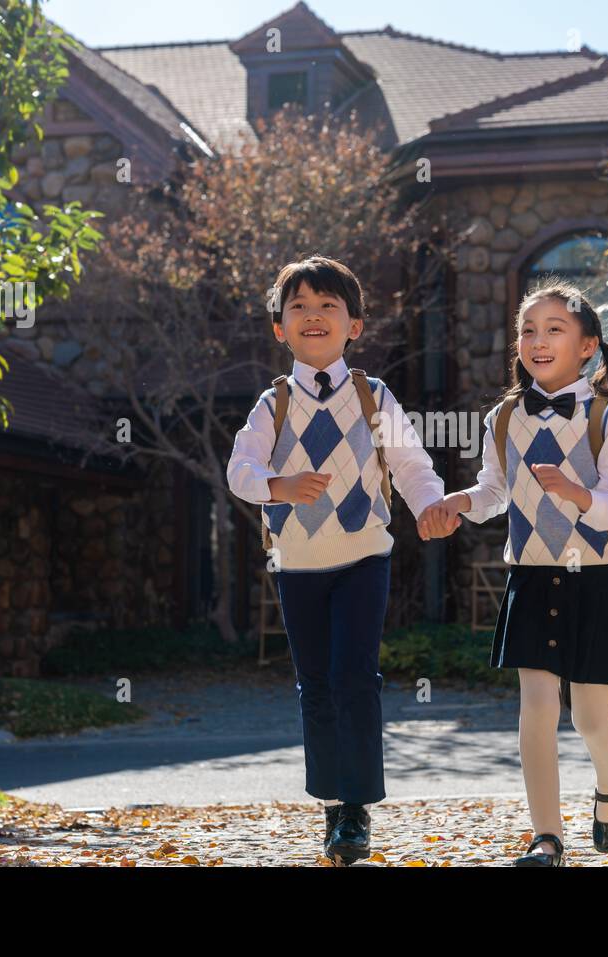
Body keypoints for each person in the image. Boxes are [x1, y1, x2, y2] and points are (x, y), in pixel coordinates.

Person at [423, 280, 608, 865]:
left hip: (598, 578)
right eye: (528, 330)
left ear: (588, 346)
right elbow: (494, 492)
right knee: (536, 705)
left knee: (591, 715)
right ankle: (546, 837)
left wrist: (577, 493)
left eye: (554, 328)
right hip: (531, 573)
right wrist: (458, 503)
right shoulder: (505, 417)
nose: (537, 340)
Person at [226, 255, 452, 864]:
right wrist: (278, 484)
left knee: (356, 677)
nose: (313, 316)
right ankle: (330, 803)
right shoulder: (272, 405)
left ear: (354, 324)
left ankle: (355, 809)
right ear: (280, 328)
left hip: (362, 559)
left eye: (328, 306)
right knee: (316, 685)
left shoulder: (374, 398)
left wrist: (431, 506)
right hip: (297, 565)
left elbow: (410, 466)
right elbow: (240, 470)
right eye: (298, 307)